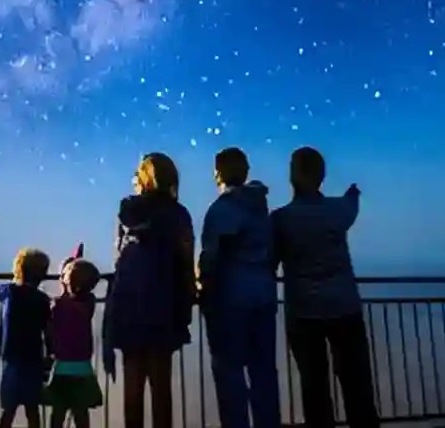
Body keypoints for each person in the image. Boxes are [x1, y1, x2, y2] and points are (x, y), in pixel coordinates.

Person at [271, 147, 379, 428]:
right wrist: (353, 193)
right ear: (321, 175)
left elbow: (269, 260)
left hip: (304, 313)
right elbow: (351, 204)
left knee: (314, 389)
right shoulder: (337, 211)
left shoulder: (281, 219)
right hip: (345, 308)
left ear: (293, 175)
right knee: (357, 387)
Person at [102, 152, 196, 428]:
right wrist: (189, 293)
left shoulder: (127, 212)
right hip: (165, 303)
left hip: (129, 302)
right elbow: (186, 259)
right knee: (160, 383)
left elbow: (118, 258)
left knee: (132, 381)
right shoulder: (178, 214)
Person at [198, 147, 281, 428]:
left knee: (230, 373)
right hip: (264, 295)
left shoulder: (221, 210)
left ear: (217, 173)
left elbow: (211, 257)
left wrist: (204, 288)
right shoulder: (261, 210)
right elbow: (272, 253)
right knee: (264, 372)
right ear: (245, 171)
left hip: (230, 298)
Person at [0, 248, 53, 428]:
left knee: (9, 408)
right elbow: (48, 330)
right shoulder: (42, 299)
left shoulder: (10, 291)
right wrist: (50, 355)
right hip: (33, 357)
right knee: (32, 408)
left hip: (11, 356)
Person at [44, 243, 105, 428]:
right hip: (83, 367)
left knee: (58, 411)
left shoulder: (57, 306)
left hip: (62, 365)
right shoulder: (89, 304)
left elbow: (49, 328)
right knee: (81, 412)